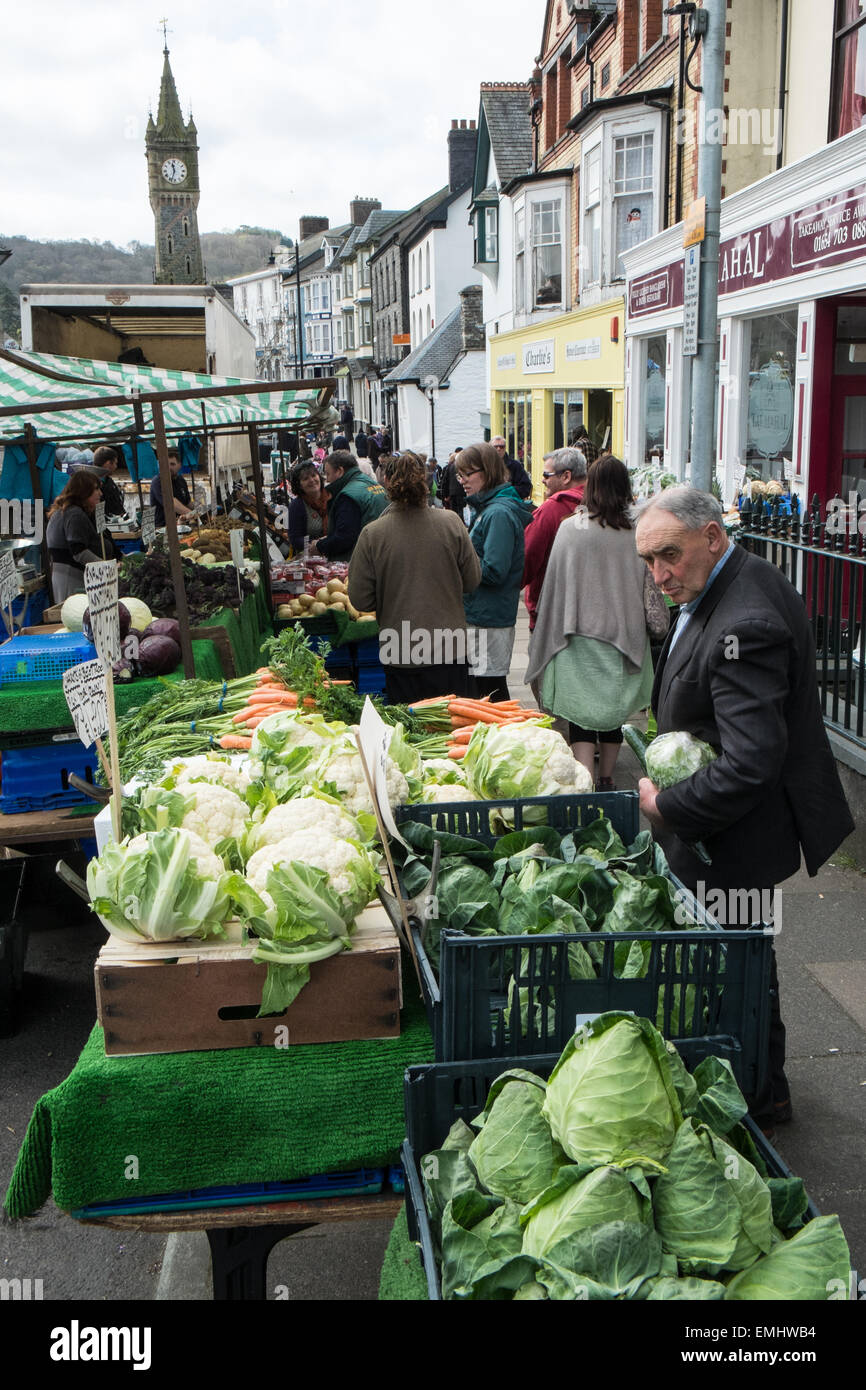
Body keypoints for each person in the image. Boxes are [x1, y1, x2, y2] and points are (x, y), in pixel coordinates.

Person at [634, 486, 855, 1135]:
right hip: (734, 831)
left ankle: (758, 1097)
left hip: (737, 835)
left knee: (737, 963)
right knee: (744, 959)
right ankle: (765, 1087)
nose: (660, 574)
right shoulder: (732, 581)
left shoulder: (744, 621)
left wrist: (666, 804)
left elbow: (750, 763)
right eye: (648, 561)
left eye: (669, 555)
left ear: (712, 537)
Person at [525, 454, 660, 790]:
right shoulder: (638, 531)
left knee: (580, 713)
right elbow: (651, 584)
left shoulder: (571, 529)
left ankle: (584, 779)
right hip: (624, 635)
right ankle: (607, 778)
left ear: (591, 486)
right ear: (624, 487)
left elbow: (553, 586)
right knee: (613, 711)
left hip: (575, 635)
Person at [348, 452, 481, 704]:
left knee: (411, 735)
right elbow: (473, 581)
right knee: (453, 733)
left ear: (386, 481)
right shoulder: (451, 523)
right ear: (425, 480)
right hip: (449, 648)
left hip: (400, 650)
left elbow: (361, 600)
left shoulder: (372, 534)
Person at [456, 442, 533, 701]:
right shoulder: (489, 508)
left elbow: (494, 571)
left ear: (487, 472)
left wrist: (458, 558)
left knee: (489, 694)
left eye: (469, 474)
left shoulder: (497, 513)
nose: (463, 481)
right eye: (460, 475)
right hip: (485, 615)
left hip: (488, 619)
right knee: (487, 692)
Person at [522, 446, 587, 631]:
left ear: (566, 476)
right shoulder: (600, 504)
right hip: (593, 612)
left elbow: (527, 557)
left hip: (550, 613)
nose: (542, 480)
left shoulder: (550, 510)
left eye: (546, 474)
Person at [45, 471, 120, 603]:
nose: (100, 494)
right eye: (96, 489)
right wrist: (107, 567)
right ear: (83, 491)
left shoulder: (70, 511)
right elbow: (79, 551)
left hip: (69, 578)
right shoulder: (74, 514)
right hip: (72, 580)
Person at [316, 450, 389, 561]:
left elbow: (344, 538)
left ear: (340, 471)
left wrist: (319, 546)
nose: (328, 479)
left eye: (328, 474)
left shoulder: (348, 496)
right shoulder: (372, 484)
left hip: (362, 561)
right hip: (382, 555)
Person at [286, 460, 329, 554]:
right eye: (305, 479)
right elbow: (295, 540)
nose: (312, 480)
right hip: (310, 559)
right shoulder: (297, 506)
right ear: (299, 485)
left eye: (314, 475)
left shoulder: (332, 497)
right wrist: (318, 544)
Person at [82, 446, 127, 519]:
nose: (116, 467)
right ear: (108, 463)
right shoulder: (90, 483)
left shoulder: (108, 481)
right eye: (115, 463)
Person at [149, 450, 192, 528]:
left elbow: (188, 502)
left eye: (172, 464)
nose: (168, 467)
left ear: (179, 465)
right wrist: (192, 514)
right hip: (162, 528)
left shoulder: (181, 480)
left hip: (181, 525)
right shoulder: (158, 481)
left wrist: (201, 510)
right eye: (166, 464)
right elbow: (171, 503)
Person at [491, 435, 533, 501]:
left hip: (510, 504)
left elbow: (526, 488)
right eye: (495, 447)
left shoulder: (515, 466)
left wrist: (507, 491)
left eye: (501, 447)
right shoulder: (484, 466)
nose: (498, 449)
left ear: (505, 448)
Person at [440, 448, 468, 518]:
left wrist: (445, 495)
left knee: (454, 512)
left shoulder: (450, 466)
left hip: (452, 492)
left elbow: (445, 481)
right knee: (461, 511)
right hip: (462, 492)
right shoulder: (465, 466)